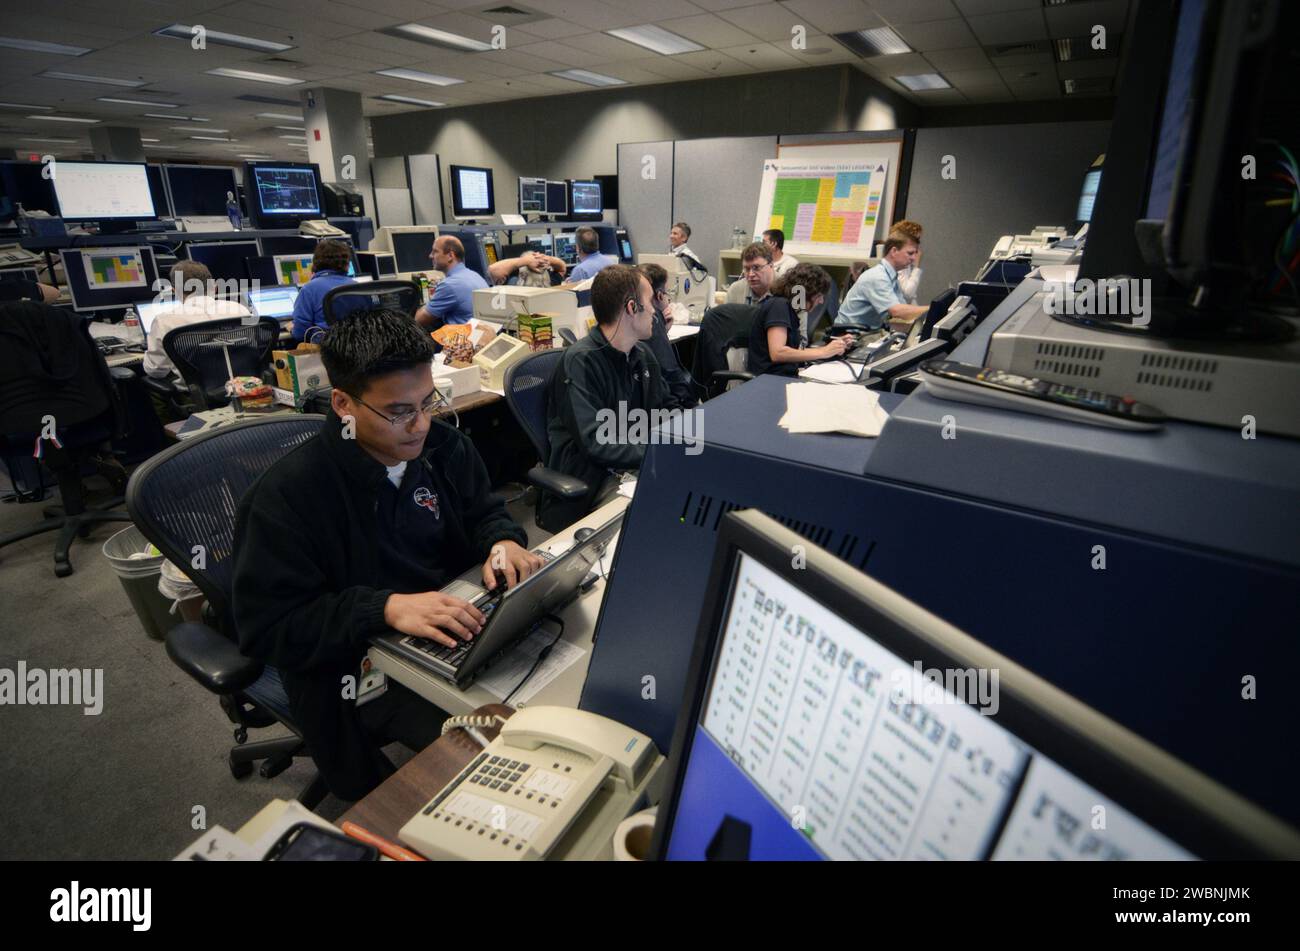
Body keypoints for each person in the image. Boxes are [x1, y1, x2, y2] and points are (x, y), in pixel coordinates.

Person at [232, 307, 543, 799]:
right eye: (399, 412)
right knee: (504, 764)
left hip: (448, 624)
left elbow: (485, 512)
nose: (420, 425)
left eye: (427, 401)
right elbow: (270, 627)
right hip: (350, 664)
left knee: (549, 697)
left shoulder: (446, 447)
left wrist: (502, 541)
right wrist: (386, 608)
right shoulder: (287, 499)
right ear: (343, 403)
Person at [541, 265, 679, 528]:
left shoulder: (642, 356)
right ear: (631, 308)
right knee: (652, 518)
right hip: (593, 476)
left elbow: (666, 408)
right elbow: (596, 442)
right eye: (650, 301)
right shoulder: (581, 362)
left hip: (633, 461)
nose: (655, 309)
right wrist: (659, 451)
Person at [143, 260, 251, 382]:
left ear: (174, 291)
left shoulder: (164, 321)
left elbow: (156, 370)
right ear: (214, 287)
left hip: (196, 394)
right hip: (246, 387)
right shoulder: (239, 309)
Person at [748, 263, 850, 377]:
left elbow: (795, 352)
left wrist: (833, 349)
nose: (821, 301)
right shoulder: (778, 306)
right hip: (770, 380)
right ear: (807, 292)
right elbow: (778, 353)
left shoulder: (791, 310)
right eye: (819, 295)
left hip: (782, 377)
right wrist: (824, 351)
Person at [834, 233, 929, 331]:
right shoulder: (878, 277)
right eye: (910, 253)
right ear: (894, 251)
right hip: (849, 336)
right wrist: (932, 309)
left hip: (866, 333)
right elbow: (897, 311)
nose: (914, 258)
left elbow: (903, 313)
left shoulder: (890, 275)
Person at [638, 261, 699, 407]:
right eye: (666, 292)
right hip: (669, 401)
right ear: (659, 295)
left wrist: (664, 331)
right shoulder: (654, 319)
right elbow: (669, 371)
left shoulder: (644, 321)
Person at [415, 234, 489, 328]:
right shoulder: (475, 275)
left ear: (450, 255)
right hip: (480, 337)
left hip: (462, 340)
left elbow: (419, 320)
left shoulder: (449, 285)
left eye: (435, 252)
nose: (430, 256)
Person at [290, 239, 355, 341]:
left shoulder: (309, 289)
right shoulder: (355, 285)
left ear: (316, 261)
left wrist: (291, 329)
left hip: (325, 350)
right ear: (346, 263)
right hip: (355, 349)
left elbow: (300, 333)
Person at [889, 220, 924, 303]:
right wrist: (916, 267)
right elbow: (908, 293)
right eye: (917, 240)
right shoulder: (898, 259)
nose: (918, 244)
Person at [490, 250, 566, 285]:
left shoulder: (514, 291)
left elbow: (493, 270)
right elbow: (562, 268)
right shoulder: (552, 284)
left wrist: (525, 261)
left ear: (522, 275)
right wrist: (546, 259)